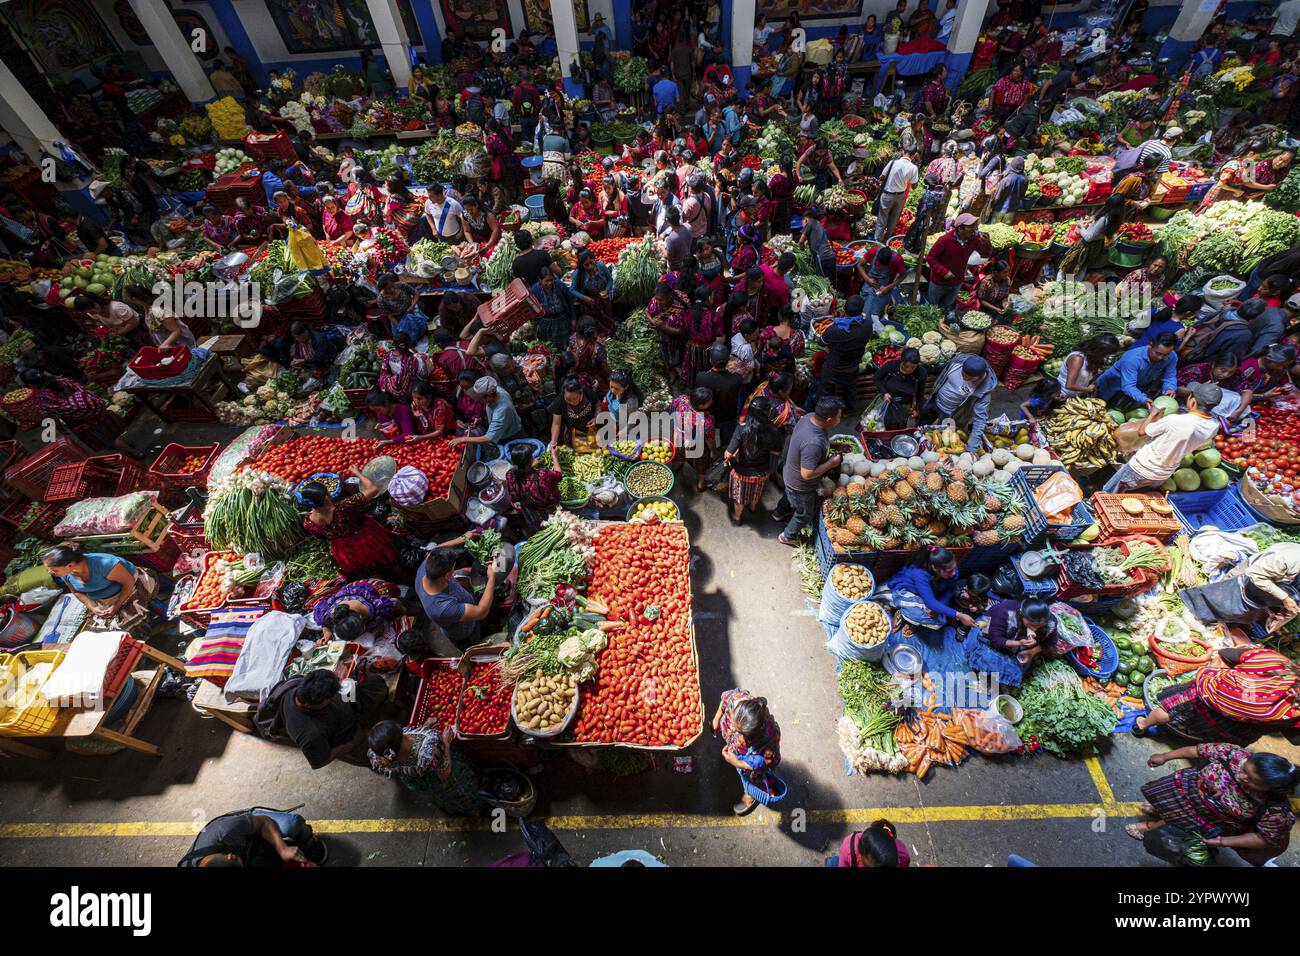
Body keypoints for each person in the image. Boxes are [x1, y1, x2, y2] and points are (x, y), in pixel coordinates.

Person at [1128, 744, 1297, 866]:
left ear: (1270, 787)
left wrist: (1223, 841)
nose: (1241, 776)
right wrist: (1165, 756)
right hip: (1186, 789)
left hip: (1207, 817)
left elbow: (1263, 839)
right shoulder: (1233, 754)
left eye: (1251, 780)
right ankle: (1160, 810)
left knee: (1179, 821)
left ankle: (1152, 825)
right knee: (1167, 805)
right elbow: (1196, 751)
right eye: (1245, 768)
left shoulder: (1276, 811)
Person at [1135, 642, 1299, 746]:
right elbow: (1295, 739)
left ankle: (1142, 725)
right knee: (1221, 733)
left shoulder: (1274, 661)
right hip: (1238, 723)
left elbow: (1226, 654)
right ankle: (1195, 743)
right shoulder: (1295, 711)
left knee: (1171, 709)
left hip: (1208, 693)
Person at [1103, 381, 1222, 493]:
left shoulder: (1175, 420)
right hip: (1163, 475)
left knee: (1108, 494)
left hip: (1141, 468)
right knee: (1131, 499)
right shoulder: (1214, 426)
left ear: (1193, 401)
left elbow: (1142, 432)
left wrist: (1152, 415)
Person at [278, 669, 387, 770]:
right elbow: (319, 762)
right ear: (311, 704)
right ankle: (378, 765)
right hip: (345, 735)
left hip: (346, 707)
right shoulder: (310, 734)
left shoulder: (301, 684)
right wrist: (347, 746)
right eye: (330, 698)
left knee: (375, 682)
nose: (333, 697)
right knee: (379, 752)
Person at [300, 466, 398, 577]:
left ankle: (380, 580)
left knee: (369, 570)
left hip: (346, 552)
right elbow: (373, 489)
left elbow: (322, 537)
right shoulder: (345, 506)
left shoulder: (308, 523)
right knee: (386, 558)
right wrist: (357, 473)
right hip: (369, 540)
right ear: (327, 497)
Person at [43, 543, 156, 634]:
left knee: (121, 627)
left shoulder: (103, 563)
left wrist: (116, 606)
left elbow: (128, 582)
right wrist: (92, 606)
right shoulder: (65, 573)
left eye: (53, 569)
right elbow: (76, 592)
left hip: (133, 586)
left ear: (70, 566)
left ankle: (147, 640)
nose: (50, 572)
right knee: (97, 633)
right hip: (103, 601)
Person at [776, 396, 844, 546]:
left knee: (789, 497)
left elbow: (805, 442)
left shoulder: (808, 418)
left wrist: (831, 444)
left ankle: (779, 513)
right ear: (829, 420)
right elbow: (807, 474)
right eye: (839, 416)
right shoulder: (814, 442)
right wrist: (832, 463)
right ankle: (787, 536)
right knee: (805, 514)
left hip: (789, 473)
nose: (841, 418)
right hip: (800, 485)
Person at [16, 369, 126, 452]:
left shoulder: (44, 400)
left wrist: (60, 427)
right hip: (98, 412)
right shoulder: (63, 380)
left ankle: (134, 452)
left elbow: (51, 415)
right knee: (113, 432)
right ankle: (125, 445)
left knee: (108, 439)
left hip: (83, 425)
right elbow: (82, 389)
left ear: (31, 385)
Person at [712, 689, 783, 816]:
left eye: (741, 733)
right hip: (738, 746)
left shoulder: (767, 741)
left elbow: (761, 763)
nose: (734, 730)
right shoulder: (736, 699)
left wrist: (737, 762)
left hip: (754, 760)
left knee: (755, 775)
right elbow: (724, 700)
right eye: (734, 727)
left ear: (756, 733)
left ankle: (751, 794)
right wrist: (717, 718)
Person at [180, 807, 328, 867]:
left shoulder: (225, 831)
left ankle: (309, 843)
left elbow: (263, 822)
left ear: (231, 856)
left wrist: (282, 849)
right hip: (241, 845)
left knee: (292, 824)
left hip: (254, 822)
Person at [880, 547, 978, 636]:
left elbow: (949, 590)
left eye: (954, 568)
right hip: (905, 590)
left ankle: (913, 614)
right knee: (933, 618)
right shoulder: (920, 573)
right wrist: (959, 615)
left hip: (926, 593)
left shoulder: (952, 571)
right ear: (935, 568)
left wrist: (940, 604)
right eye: (949, 571)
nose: (953, 573)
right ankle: (902, 611)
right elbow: (931, 603)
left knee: (939, 618)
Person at [415, 547, 496, 650]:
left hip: (463, 609)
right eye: (454, 567)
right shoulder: (442, 607)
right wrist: (492, 578)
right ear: (447, 575)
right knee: (476, 643)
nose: (455, 569)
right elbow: (481, 612)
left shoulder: (427, 567)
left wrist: (463, 537)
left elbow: (433, 551)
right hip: (464, 630)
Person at [919, 355, 996, 454]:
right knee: (922, 425)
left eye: (968, 378)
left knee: (940, 439)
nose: (964, 378)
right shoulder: (957, 362)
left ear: (979, 377)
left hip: (950, 414)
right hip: (934, 401)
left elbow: (980, 419)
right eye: (963, 374)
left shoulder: (984, 389)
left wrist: (972, 447)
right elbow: (942, 374)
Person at [724, 395, 782, 524]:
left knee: (740, 498)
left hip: (742, 473)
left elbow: (728, 454)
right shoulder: (775, 431)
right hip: (762, 472)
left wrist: (734, 454)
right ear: (768, 412)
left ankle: (737, 518)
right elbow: (776, 453)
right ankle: (753, 508)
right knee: (756, 493)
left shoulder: (742, 428)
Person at [1095, 332, 1180, 411]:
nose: (1161, 357)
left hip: (1132, 389)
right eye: (1158, 353)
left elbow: (1170, 376)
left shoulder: (1172, 357)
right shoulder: (1132, 358)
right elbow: (1128, 386)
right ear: (1150, 345)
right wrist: (1144, 399)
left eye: (1166, 354)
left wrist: (1170, 388)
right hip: (1109, 386)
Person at [925, 214, 993, 311]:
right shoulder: (945, 240)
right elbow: (930, 258)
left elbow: (985, 255)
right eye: (971, 227)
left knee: (946, 307)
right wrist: (944, 271)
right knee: (931, 308)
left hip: (957, 282)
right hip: (939, 282)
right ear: (960, 228)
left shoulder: (973, 240)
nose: (974, 229)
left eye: (975, 226)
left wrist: (987, 243)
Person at [819, 295, 872, 412]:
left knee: (826, 390)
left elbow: (821, 342)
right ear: (861, 311)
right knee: (850, 391)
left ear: (844, 308)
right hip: (852, 368)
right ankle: (848, 410)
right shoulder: (867, 326)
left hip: (833, 369)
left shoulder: (834, 329)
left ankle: (828, 411)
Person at [451, 376, 524, 447]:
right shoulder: (497, 390)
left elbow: (489, 438)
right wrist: (480, 419)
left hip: (510, 436)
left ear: (488, 396)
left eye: (480, 399)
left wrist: (463, 439)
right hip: (506, 429)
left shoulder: (502, 410)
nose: (479, 401)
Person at [505, 444, 561, 536]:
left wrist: (529, 466)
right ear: (530, 460)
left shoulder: (510, 475)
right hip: (546, 507)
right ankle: (551, 533)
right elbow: (558, 475)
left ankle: (539, 532)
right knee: (551, 524)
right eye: (531, 456)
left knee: (536, 525)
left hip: (528, 508)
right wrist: (554, 456)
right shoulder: (542, 474)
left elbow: (514, 496)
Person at [873, 348, 927, 430]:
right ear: (901, 360)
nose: (909, 369)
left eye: (913, 367)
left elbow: (920, 393)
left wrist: (917, 409)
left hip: (903, 406)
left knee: (895, 427)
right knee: (876, 424)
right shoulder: (891, 366)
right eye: (906, 366)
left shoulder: (921, 373)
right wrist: (884, 392)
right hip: (884, 401)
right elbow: (877, 378)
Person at [874, 149, 919, 243]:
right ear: (914, 155)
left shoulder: (892, 162)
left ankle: (877, 242)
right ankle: (887, 240)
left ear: (903, 152)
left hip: (887, 194)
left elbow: (882, 176)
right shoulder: (914, 168)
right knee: (894, 219)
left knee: (882, 219)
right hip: (900, 197)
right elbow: (914, 186)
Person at [1134, 295, 1204, 349]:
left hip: (1135, 347)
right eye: (1197, 312)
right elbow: (1174, 350)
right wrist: (1188, 336)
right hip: (1145, 355)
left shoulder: (1163, 311)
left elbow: (1141, 316)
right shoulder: (1179, 329)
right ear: (1188, 313)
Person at [857, 246, 907, 323]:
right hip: (869, 284)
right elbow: (859, 265)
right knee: (862, 310)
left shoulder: (897, 259)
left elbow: (903, 275)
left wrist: (889, 287)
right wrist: (868, 279)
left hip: (884, 289)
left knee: (873, 315)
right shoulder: (873, 251)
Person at [831, 820, 909, 867]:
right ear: (860, 852)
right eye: (865, 865)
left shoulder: (903, 857)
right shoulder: (849, 847)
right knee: (833, 863)